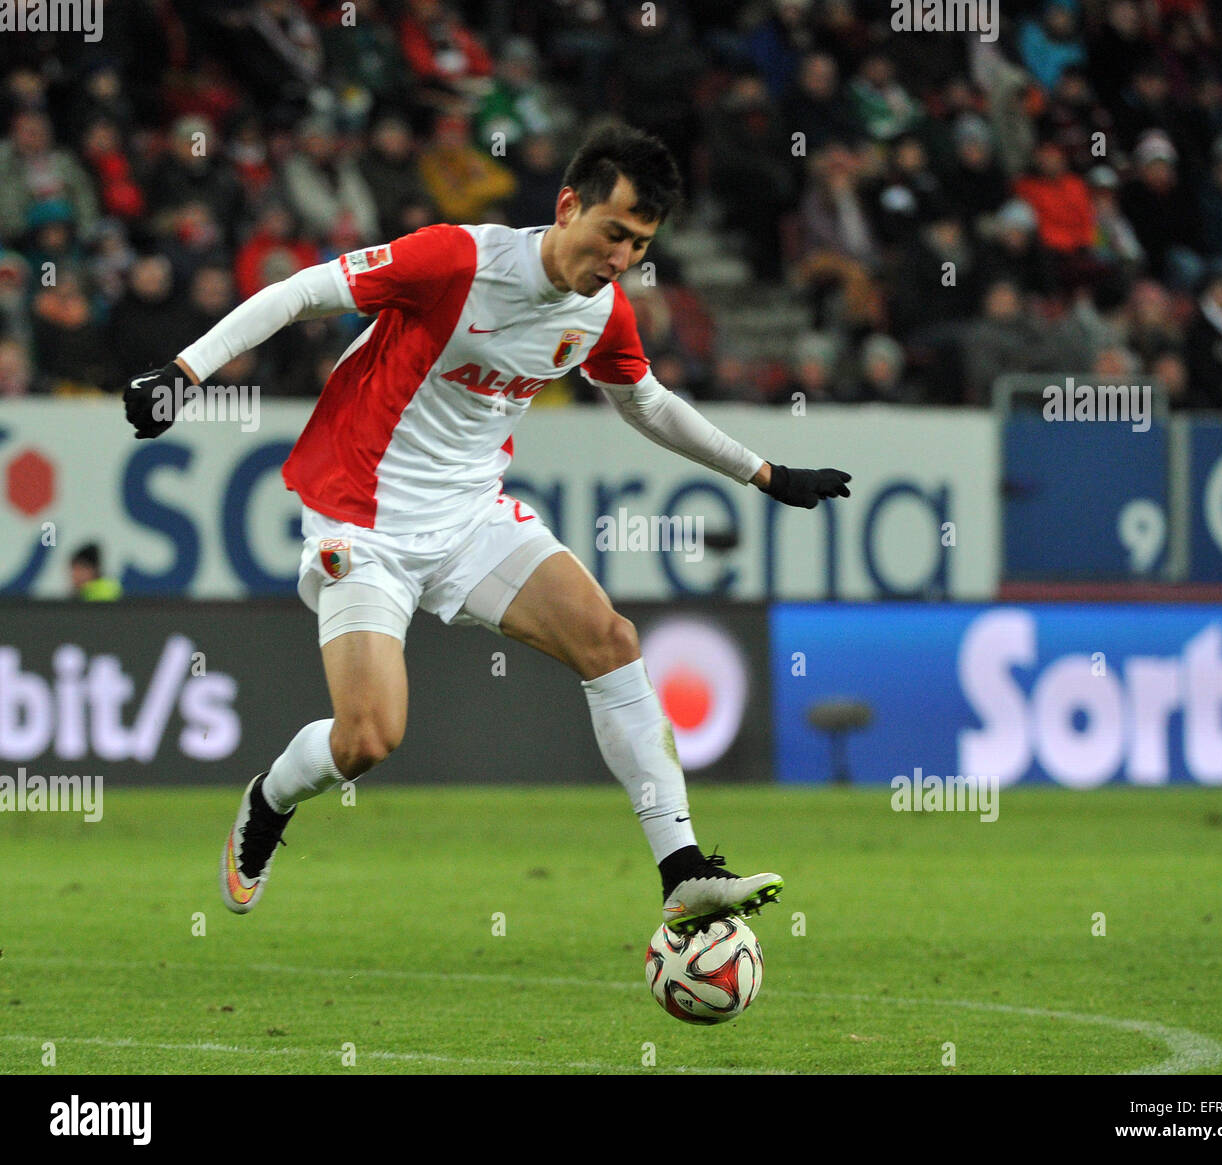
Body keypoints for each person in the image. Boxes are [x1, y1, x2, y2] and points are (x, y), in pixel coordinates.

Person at [122, 123, 851, 936]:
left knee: (610, 639)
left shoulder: (601, 311)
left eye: (639, 245)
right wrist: (184, 371)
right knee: (369, 736)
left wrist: (767, 474)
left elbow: (645, 402)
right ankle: (269, 800)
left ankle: (680, 870)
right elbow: (305, 290)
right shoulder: (456, 260)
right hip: (363, 515)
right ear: (568, 205)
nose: (619, 259)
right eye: (612, 233)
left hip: (470, 517)